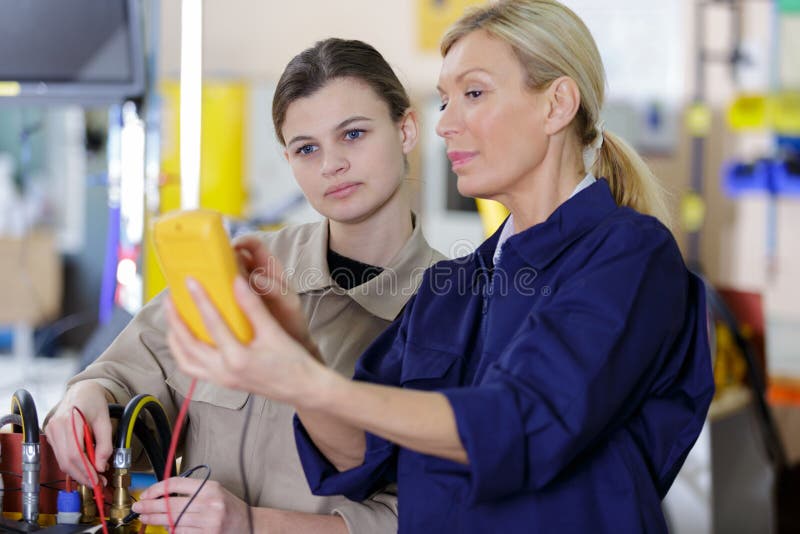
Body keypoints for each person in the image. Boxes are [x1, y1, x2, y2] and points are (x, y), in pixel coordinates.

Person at [166, 1, 715, 532]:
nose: (444, 124)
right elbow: (363, 453)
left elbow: (523, 421)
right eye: (445, 100)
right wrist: (296, 354)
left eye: (473, 93)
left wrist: (311, 382)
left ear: (556, 105)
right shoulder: (453, 286)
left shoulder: (630, 257)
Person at [45, 38, 445, 533]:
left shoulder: (452, 307)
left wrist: (250, 523)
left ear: (405, 130)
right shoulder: (244, 266)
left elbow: (429, 516)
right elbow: (123, 370)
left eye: (354, 134)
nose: (330, 165)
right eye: (306, 148)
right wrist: (85, 396)